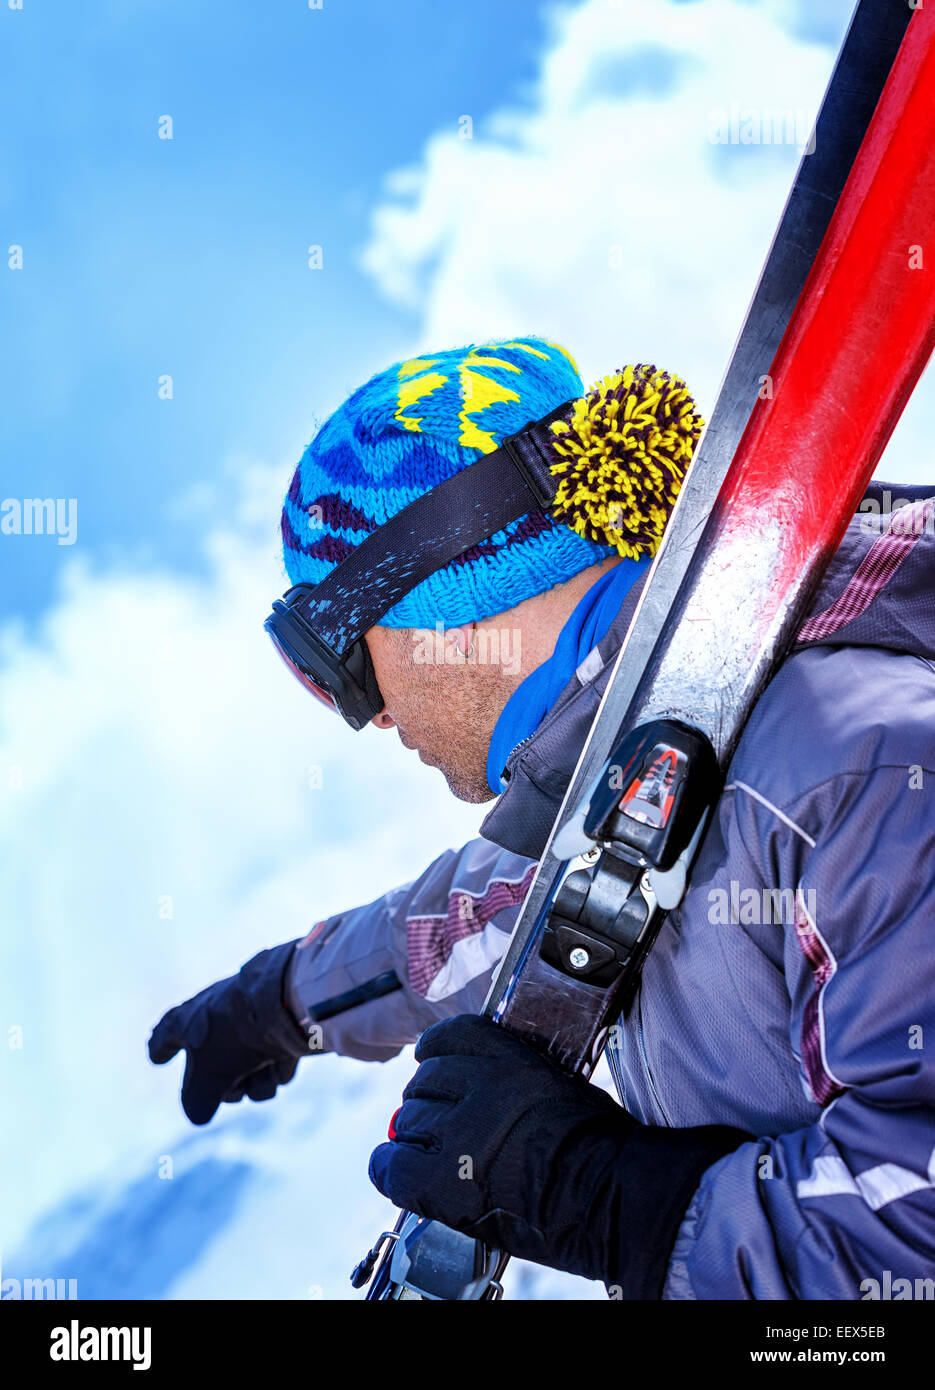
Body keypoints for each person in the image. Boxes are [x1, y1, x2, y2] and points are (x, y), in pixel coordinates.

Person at [149, 337, 935, 1299]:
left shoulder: (848, 770)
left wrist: (613, 1204)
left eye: (342, 669)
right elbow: (451, 931)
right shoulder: (628, 795)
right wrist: (277, 1001)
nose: (377, 718)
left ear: (440, 597)